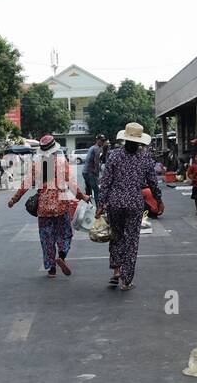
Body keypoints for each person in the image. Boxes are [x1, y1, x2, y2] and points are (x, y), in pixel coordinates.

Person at [8, 135, 87, 278]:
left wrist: (14, 200)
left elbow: (25, 184)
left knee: (46, 238)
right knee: (65, 234)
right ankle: (61, 256)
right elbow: (71, 184)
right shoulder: (62, 163)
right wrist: (83, 197)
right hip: (61, 205)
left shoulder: (37, 165)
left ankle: (51, 269)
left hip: (43, 208)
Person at [97, 122, 163, 291]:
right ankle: (126, 281)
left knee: (116, 236)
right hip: (134, 203)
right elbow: (153, 183)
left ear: (124, 139)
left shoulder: (114, 155)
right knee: (132, 241)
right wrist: (159, 200)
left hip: (115, 203)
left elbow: (105, 182)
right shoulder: (145, 158)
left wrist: (100, 204)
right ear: (140, 141)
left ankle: (116, 272)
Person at [83, 135, 107, 204]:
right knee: (96, 190)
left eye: (103, 140)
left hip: (85, 172)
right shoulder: (96, 148)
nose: (102, 142)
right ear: (97, 140)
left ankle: (86, 207)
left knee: (88, 191)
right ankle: (98, 208)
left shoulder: (94, 148)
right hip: (90, 172)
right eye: (101, 140)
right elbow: (96, 162)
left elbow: (99, 160)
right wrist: (97, 175)